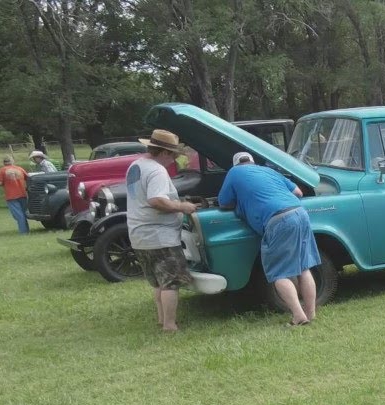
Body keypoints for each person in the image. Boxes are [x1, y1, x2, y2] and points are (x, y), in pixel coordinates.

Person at [217, 150, 317, 326]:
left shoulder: (234, 173)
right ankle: (310, 312)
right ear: (252, 162)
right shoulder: (268, 170)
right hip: (300, 213)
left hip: (277, 219)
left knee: (279, 273)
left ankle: (299, 316)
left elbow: (224, 202)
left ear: (236, 164)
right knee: (304, 267)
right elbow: (299, 192)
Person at [126, 129, 197, 332]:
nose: (174, 160)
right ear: (165, 152)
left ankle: (161, 319)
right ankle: (170, 325)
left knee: (158, 282)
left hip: (139, 235)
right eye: (173, 155)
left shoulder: (136, 165)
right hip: (159, 236)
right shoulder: (156, 170)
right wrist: (182, 207)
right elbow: (156, 200)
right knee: (170, 282)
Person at [0, 156, 30, 234]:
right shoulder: (20, 169)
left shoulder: (1, 170)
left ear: (4, 163)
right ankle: (26, 230)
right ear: (13, 161)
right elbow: (28, 178)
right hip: (22, 194)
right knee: (23, 214)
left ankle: (23, 232)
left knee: (18, 215)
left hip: (11, 196)